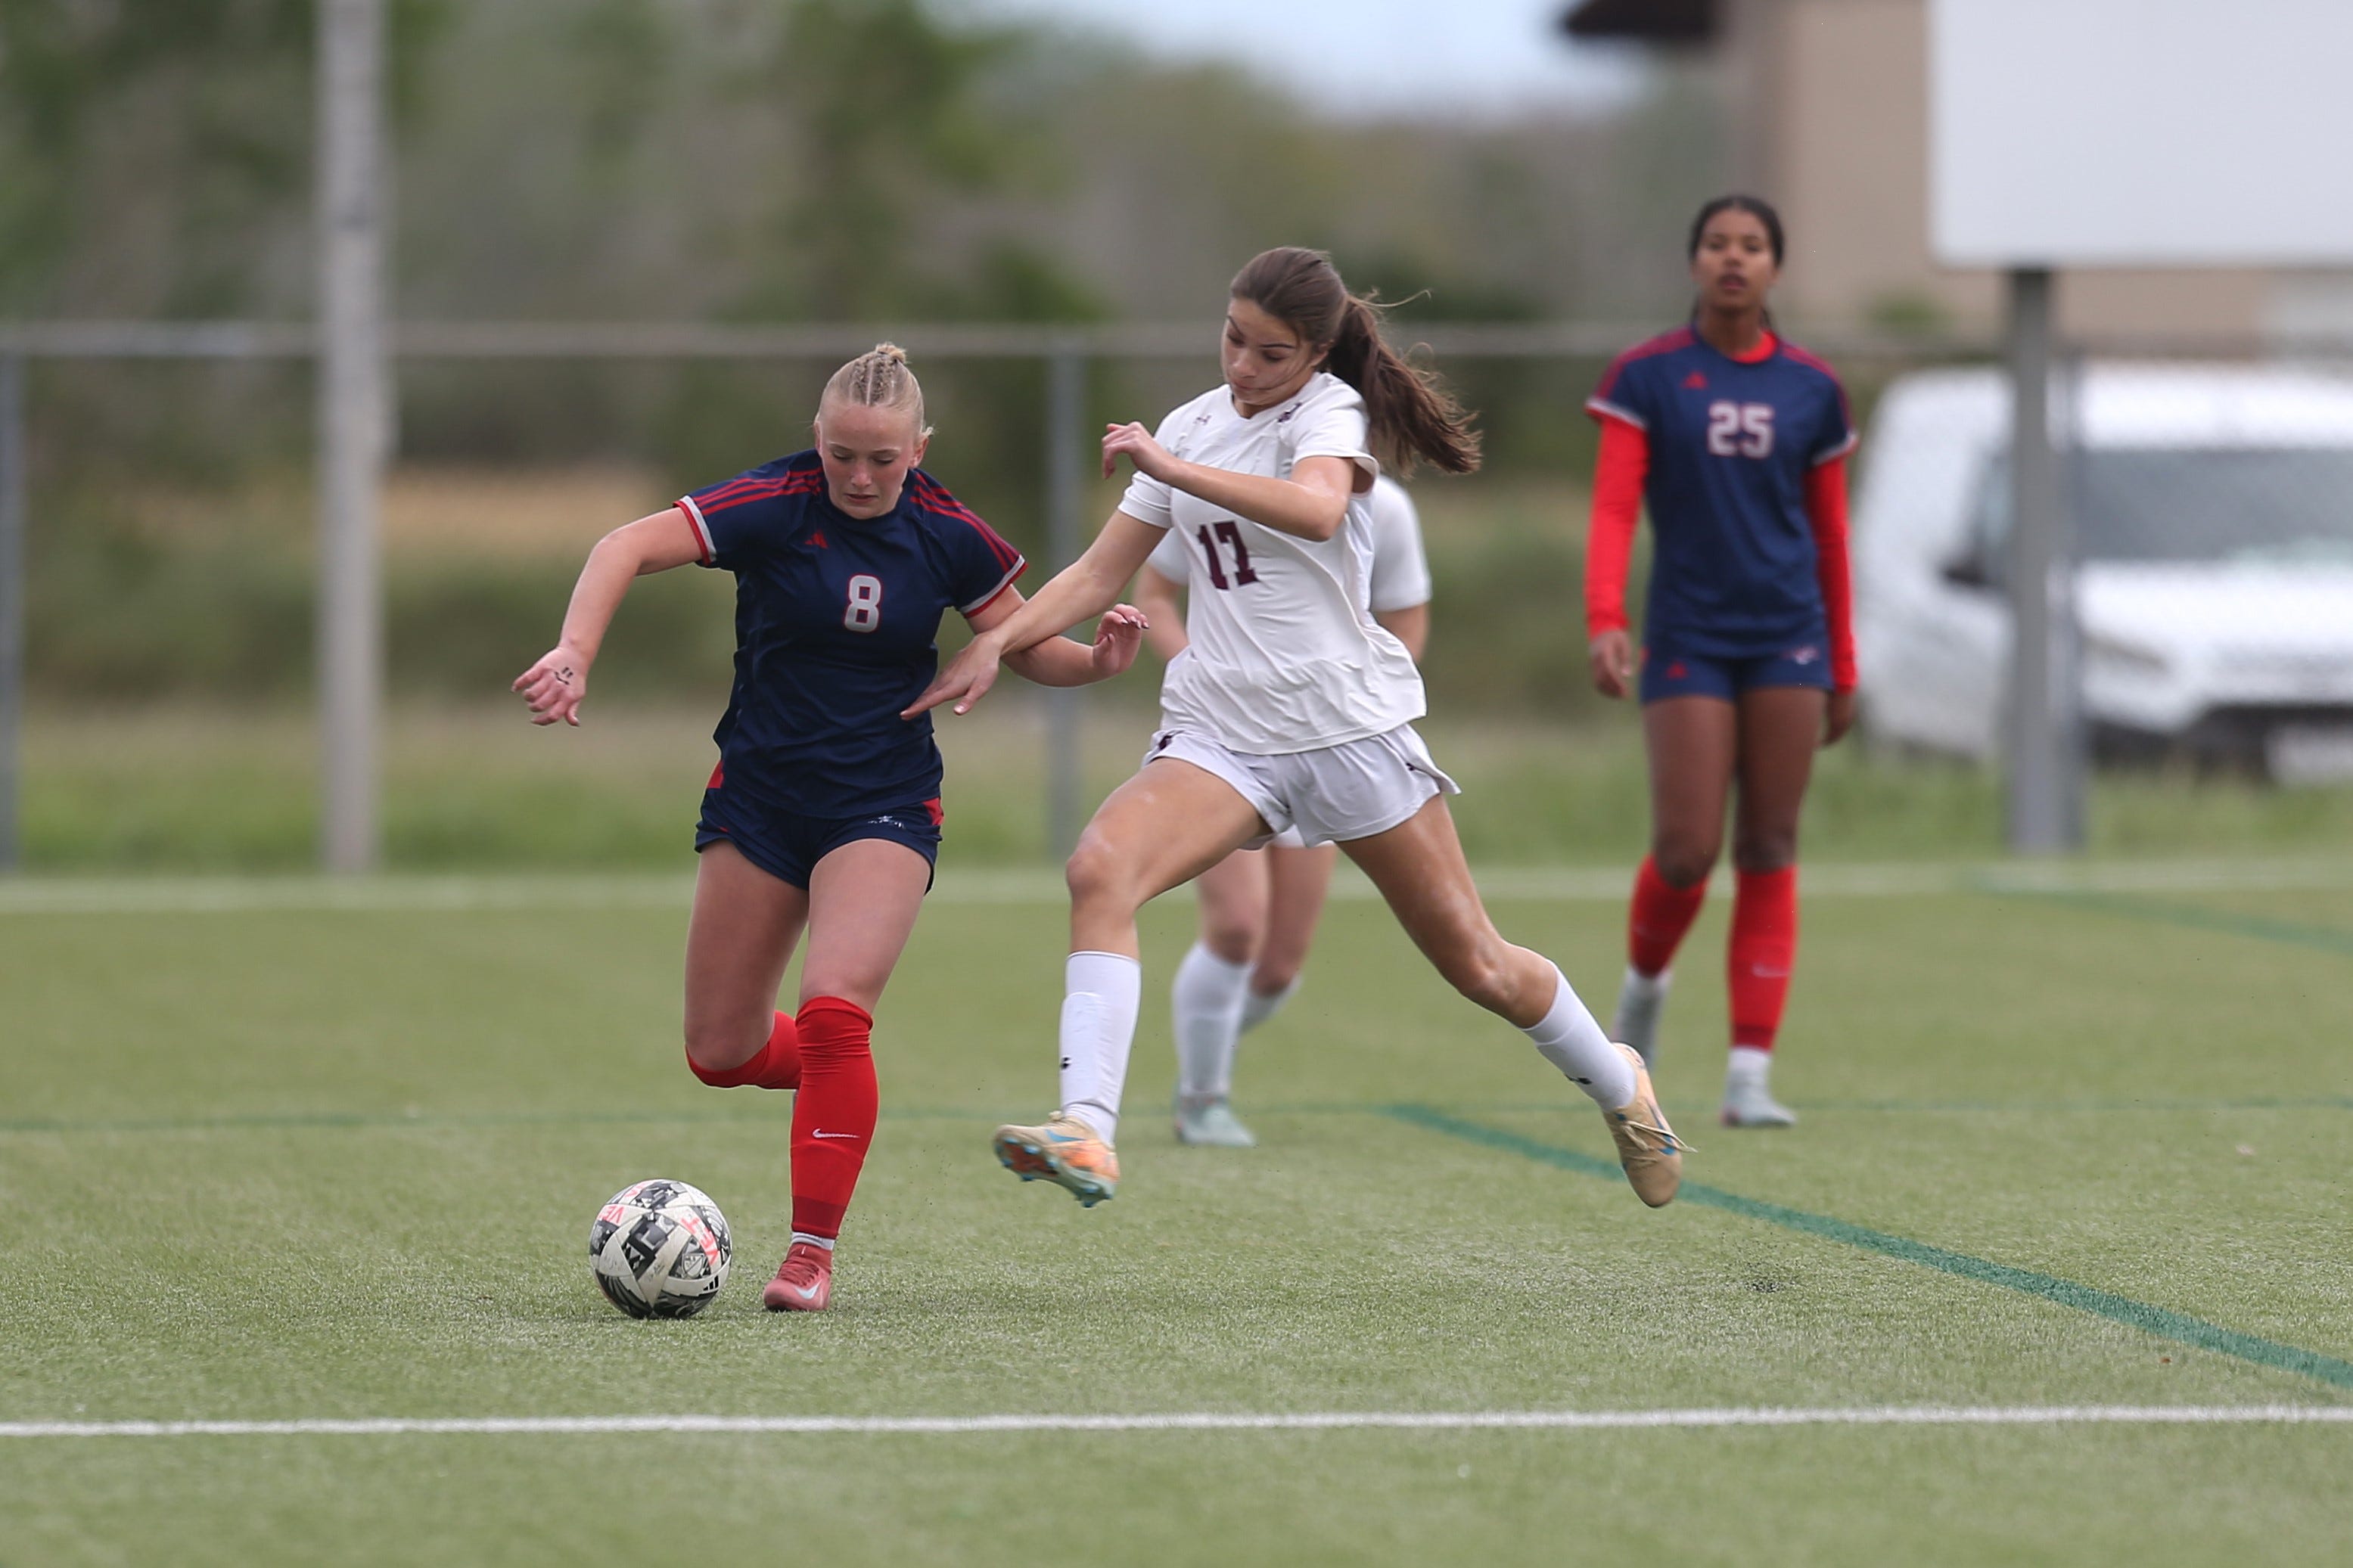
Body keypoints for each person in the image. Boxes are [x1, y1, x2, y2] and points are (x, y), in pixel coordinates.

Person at [906, 247, 1685, 1209]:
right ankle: (1088, 1129)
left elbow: (1317, 511)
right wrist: (997, 641)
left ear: (1314, 354)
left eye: (1269, 353)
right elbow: (1096, 576)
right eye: (1232, 338)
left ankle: (1620, 1086)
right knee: (1098, 868)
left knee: (1477, 965)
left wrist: (1170, 462)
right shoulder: (1191, 424)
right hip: (1224, 732)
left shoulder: (1326, 414)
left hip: (1343, 728)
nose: (1241, 365)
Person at [513, 345, 1146, 1311]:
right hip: (758, 797)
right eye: (842, 455)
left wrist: (1094, 666)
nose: (858, 477)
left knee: (835, 1011)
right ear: (817, 440)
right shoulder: (774, 501)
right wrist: (574, 650)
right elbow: (623, 547)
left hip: (882, 802)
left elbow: (1019, 647)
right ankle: (838, 1085)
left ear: (918, 450)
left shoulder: (947, 532)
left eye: (882, 461)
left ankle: (810, 1255)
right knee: (717, 1051)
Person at [1582, 194, 1858, 1129]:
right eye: (1715, 244)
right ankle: (1643, 996)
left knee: (1769, 845)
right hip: (1690, 635)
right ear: (1692, 261)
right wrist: (1604, 615)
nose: (1732, 259)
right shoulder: (1649, 376)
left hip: (1788, 635)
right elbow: (1616, 508)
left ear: (1775, 267)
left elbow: (1829, 538)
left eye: (1751, 246)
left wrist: (1844, 664)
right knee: (1688, 848)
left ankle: (1748, 1074)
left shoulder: (1811, 388)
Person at [1134, 474, 1432, 1147]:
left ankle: (1203, 1052)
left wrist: (1355, 702)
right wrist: (1210, 672)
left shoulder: (1386, 509)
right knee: (1238, 928)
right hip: (1222, 742)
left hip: (1322, 739)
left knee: (1278, 967)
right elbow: (1152, 591)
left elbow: (1408, 624)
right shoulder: (1218, 481)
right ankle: (1202, 1098)